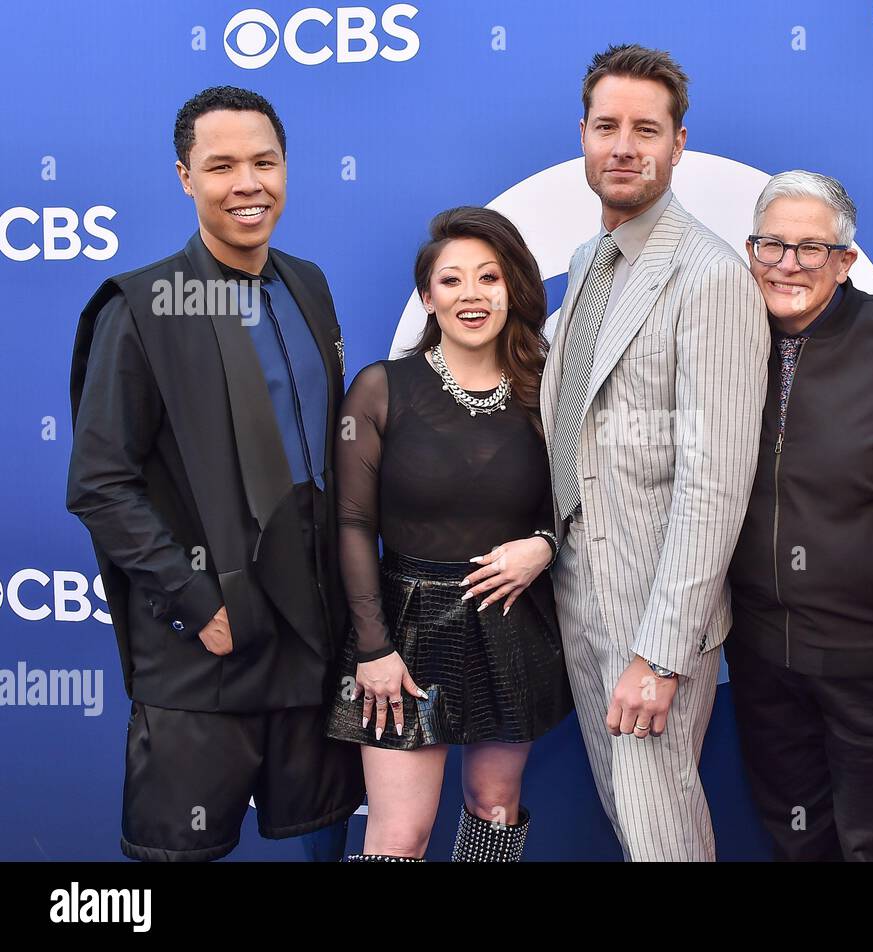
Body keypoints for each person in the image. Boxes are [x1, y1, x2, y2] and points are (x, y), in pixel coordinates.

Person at [66, 86, 363, 862]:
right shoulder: (140, 308)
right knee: (176, 854)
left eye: (264, 162)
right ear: (184, 177)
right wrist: (198, 601)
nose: (247, 184)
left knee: (324, 841)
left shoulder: (309, 284)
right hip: (206, 652)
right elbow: (100, 481)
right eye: (221, 165)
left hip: (314, 639)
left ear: (287, 169)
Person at [540, 43, 768, 861]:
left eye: (647, 128)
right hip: (577, 590)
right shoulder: (586, 262)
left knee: (662, 831)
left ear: (679, 144)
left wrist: (660, 651)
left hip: (653, 616)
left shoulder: (709, 275)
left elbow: (715, 481)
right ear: (584, 135)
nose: (624, 145)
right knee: (633, 823)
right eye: (608, 126)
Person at [325, 206, 572, 862]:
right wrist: (374, 649)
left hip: (512, 619)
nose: (472, 295)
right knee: (400, 835)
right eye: (452, 280)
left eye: (488, 278)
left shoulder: (546, 392)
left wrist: (544, 546)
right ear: (428, 297)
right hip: (405, 631)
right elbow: (350, 523)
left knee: (494, 811)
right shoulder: (381, 388)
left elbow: (585, 501)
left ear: (512, 290)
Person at [726, 170, 873, 861]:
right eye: (772, 245)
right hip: (762, 655)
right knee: (795, 840)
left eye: (811, 249)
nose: (788, 264)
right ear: (750, 250)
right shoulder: (724, 341)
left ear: (847, 261)